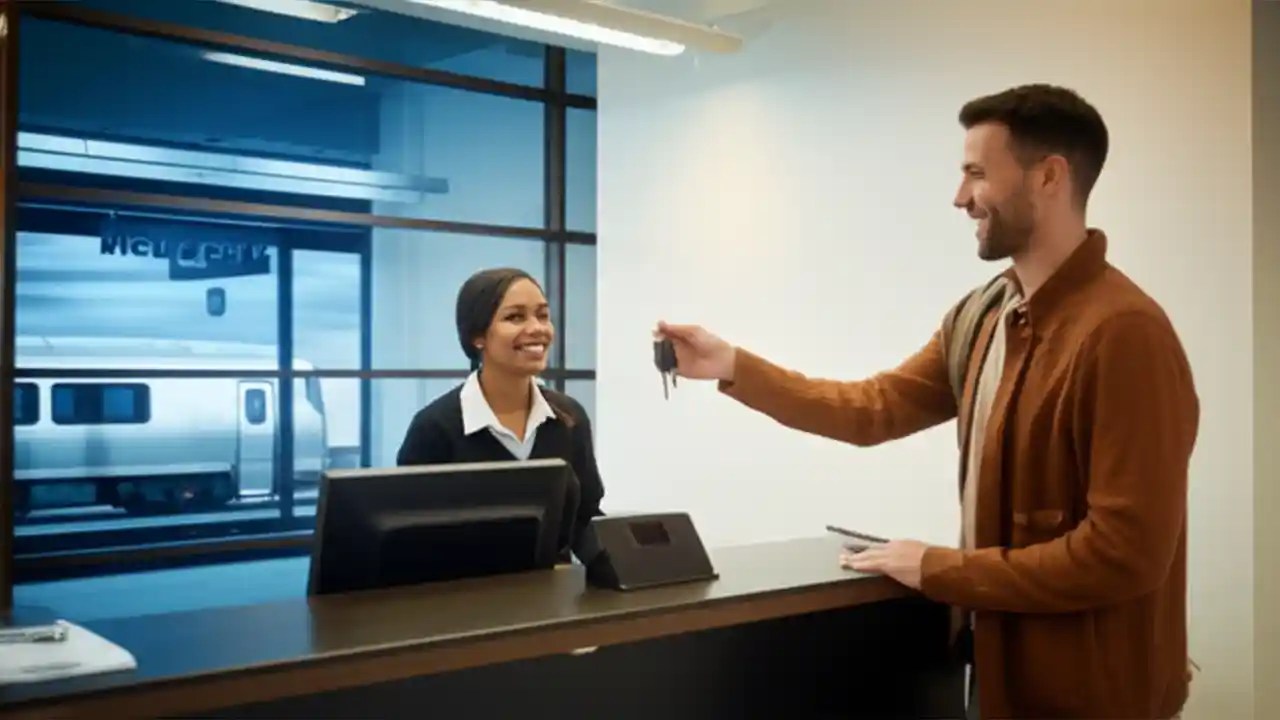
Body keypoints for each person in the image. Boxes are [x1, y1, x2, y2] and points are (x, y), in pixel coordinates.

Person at [656, 84, 1197, 720]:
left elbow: (1123, 556)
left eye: (976, 173)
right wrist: (734, 366)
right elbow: (874, 408)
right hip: (1000, 682)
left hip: (1095, 699)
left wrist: (941, 569)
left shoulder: (1125, 333)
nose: (960, 197)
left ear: (1049, 177)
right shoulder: (983, 314)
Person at [397, 267, 605, 559]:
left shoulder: (569, 418)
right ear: (477, 335)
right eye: (515, 317)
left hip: (554, 597)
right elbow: (409, 540)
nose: (537, 328)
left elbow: (586, 520)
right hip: (461, 599)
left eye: (543, 315)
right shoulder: (434, 427)